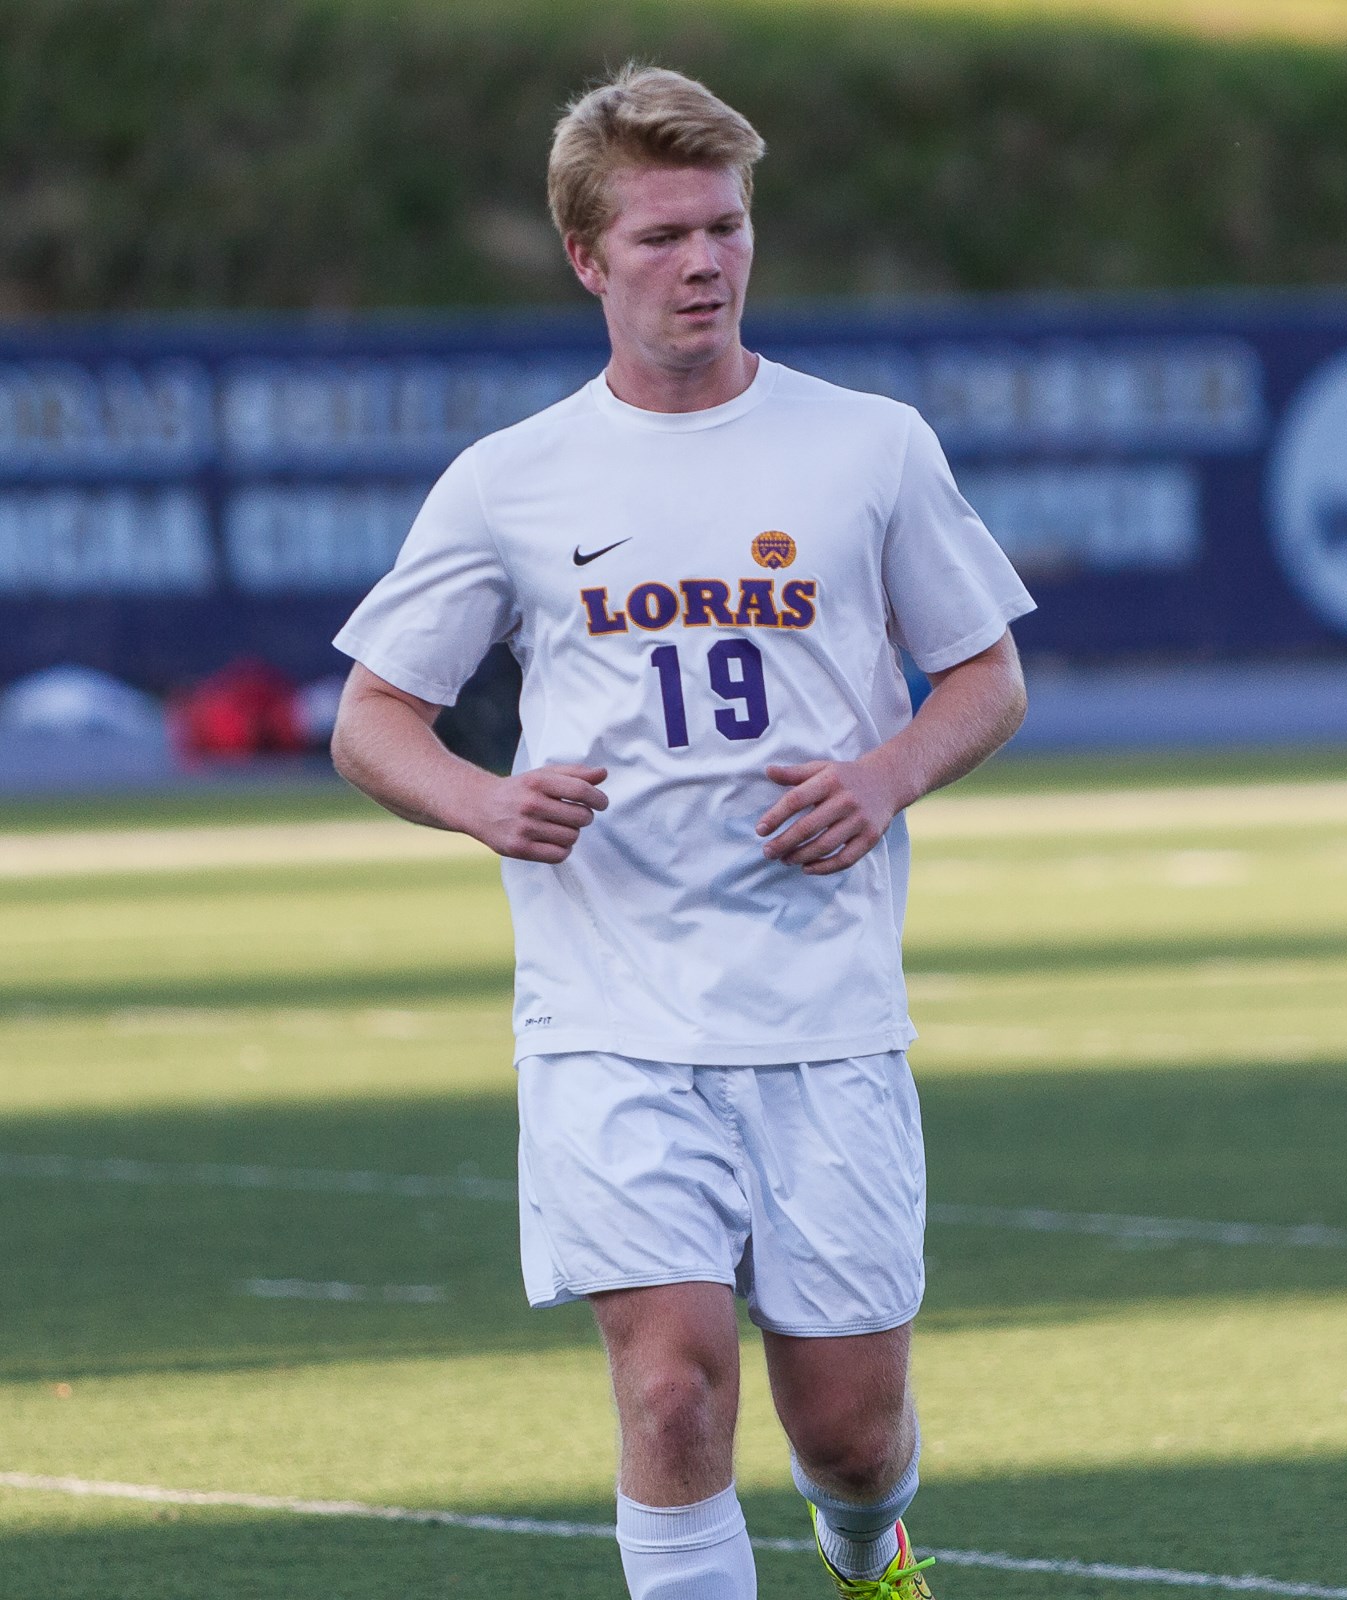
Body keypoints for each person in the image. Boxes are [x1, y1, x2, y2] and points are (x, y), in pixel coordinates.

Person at [330, 64, 1033, 1600]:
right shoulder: (513, 480)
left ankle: (872, 1551)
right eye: (660, 237)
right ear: (587, 258)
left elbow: (985, 676)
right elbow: (373, 719)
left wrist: (884, 776)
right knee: (671, 1387)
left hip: (824, 1015)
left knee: (847, 1433)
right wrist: (490, 802)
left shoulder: (869, 446)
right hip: (608, 1019)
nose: (703, 261)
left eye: (724, 226)